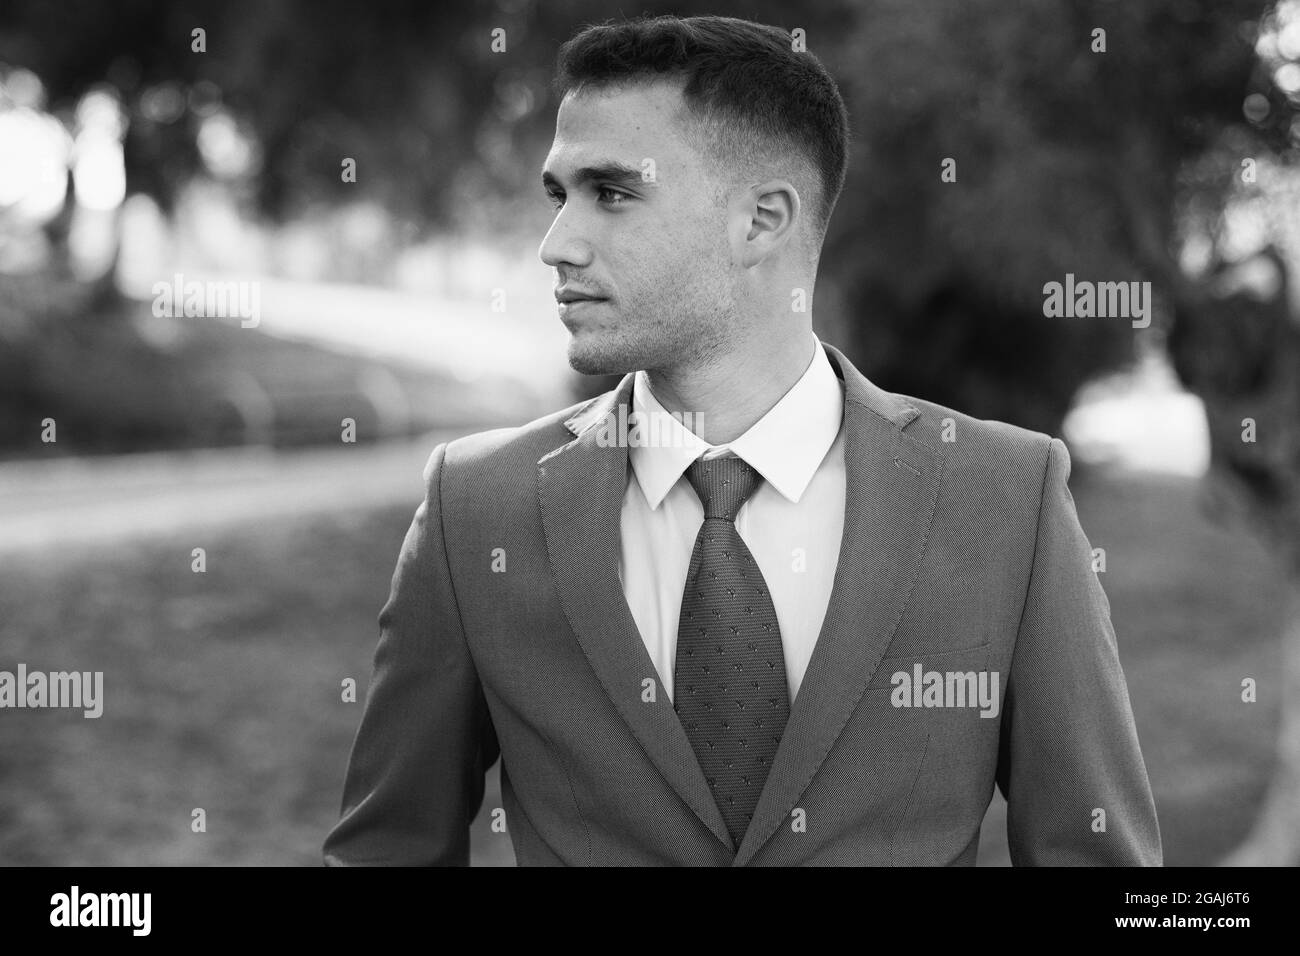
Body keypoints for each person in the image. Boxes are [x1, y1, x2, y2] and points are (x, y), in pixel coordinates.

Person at [323, 14, 1161, 866]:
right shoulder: (475, 509)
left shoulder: (1006, 499)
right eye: (558, 194)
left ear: (761, 221)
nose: (556, 244)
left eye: (611, 193)